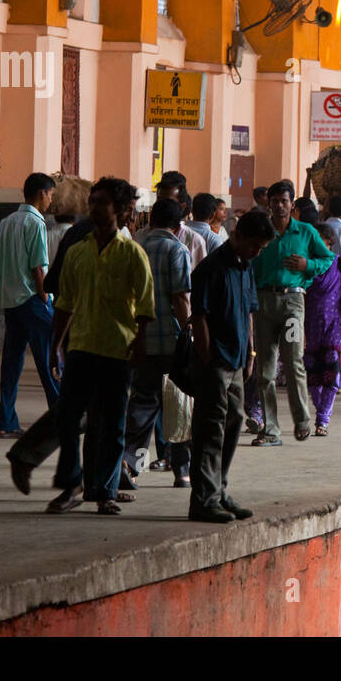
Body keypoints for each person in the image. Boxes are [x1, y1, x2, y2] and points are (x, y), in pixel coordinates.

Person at [46, 178, 155, 515]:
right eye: (91, 201)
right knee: (67, 418)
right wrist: (55, 345)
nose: (92, 207)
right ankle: (72, 484)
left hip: (116, 350)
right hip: (80, 347)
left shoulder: (133, 254)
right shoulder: (78, 252)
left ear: (121, 210)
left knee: (111, 423)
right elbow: (65, 303)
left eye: (101, 202)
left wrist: (140, 346)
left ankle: (105, 490)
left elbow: (146, 309)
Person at [187, 210, 276, 522]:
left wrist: (250, 354)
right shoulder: (211, 269)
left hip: (238, 361)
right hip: (215, 361)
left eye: (260, 248)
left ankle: (219, 490)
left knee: (233, 423)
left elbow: (249, 313)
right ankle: (203, 499)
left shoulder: (245, 267)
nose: (256, 252)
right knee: (210, 428)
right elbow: (198, 316)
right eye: (253, 245)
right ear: (237, 235)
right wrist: (207, 356)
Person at [250, 179, 332, 445]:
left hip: (293, 304)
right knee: (264, 369)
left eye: (284, 201)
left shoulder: (305, 232)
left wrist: (307, 265)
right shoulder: (261, 231)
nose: (279, 206)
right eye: (274, 202)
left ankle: (302, 421)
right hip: (263, 304)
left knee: (294, 360)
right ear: (268, 204)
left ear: (292, 204)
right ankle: (271, 428)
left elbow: (327, 259)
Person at [123, 197, 193, 488]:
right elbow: (180, 297)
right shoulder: (178, 249)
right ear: (178, 226)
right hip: (172, 342)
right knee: (179, 407)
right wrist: (188, 329)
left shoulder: (136, 248)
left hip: (143, 339)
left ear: (151, 221)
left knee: (143, 405)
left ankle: (133, 466)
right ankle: (182, 471)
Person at [0, 172, 59, 439]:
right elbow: (38, 267)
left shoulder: (7, 222)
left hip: (10, 300)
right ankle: (61, 417)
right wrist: (45, 296)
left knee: (11, 364)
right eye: (51, 195)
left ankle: (5, 422)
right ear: (42, 193)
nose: (51, 201)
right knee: (50, 361)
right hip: (32, 299)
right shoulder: (35, 222)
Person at [302, 223, 341, 434]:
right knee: (312, 376)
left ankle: (323, 420)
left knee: (332, 375)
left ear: (329, 241)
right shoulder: (306, 266)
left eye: (318, 239)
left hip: (335, 326)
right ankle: (321, 413)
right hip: (310, 328)